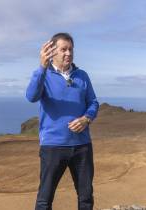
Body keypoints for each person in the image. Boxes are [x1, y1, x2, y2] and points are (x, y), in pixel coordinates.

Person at [26, 32, 99, 210]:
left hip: (82, 146)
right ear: (52, 51)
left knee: (86, 197)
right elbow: (31, 96)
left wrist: (86, 118)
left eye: (71, 49)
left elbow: (93, 102)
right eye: (63, 49)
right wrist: (42, 68)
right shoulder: (44, 75)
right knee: (45, 199)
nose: (68, 53)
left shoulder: (82, 75)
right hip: (53, 146)